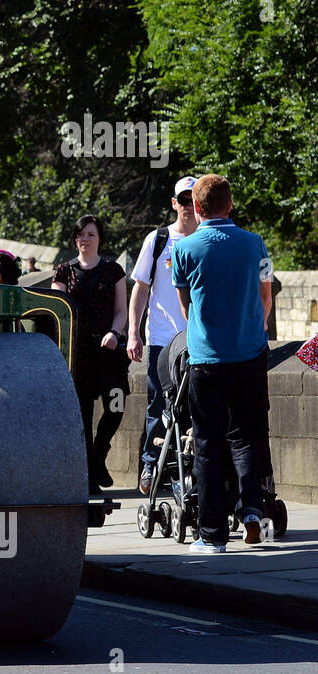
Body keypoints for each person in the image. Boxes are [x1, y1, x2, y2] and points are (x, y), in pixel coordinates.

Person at [171, 174, 272, 552]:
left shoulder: (185, 249)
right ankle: (251, 512)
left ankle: (212, 535)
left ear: (197, 208)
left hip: (207, 358)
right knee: (248, 437)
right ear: (230, 205)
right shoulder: (254, 243)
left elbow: (186, 307)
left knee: (209, 443)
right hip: (250, 353)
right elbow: (266, 296)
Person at [127, 176, 200, 495]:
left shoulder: (206, 240)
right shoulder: (158, 240)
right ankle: (150, 463)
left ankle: (191, 468)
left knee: (197, 406)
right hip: (162, 339)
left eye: (193, 200)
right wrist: (132, 332)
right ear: (174, 204)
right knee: (160, 404)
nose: (187, 207)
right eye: (182, 201)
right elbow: (140, 288)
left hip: (198, 339)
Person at [53, 215, 129, 493]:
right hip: (78, 354)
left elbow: (122, 309)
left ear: (100, 238)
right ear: (75, 239)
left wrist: (115, 332)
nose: (85, 239)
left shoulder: (114, 271)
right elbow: (56, 312)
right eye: (81, 234)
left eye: (91, 234)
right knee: (82, 414)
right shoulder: (64, 272)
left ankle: (100, 454)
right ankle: (88, 474)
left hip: (108, 352)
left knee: (117, 405)